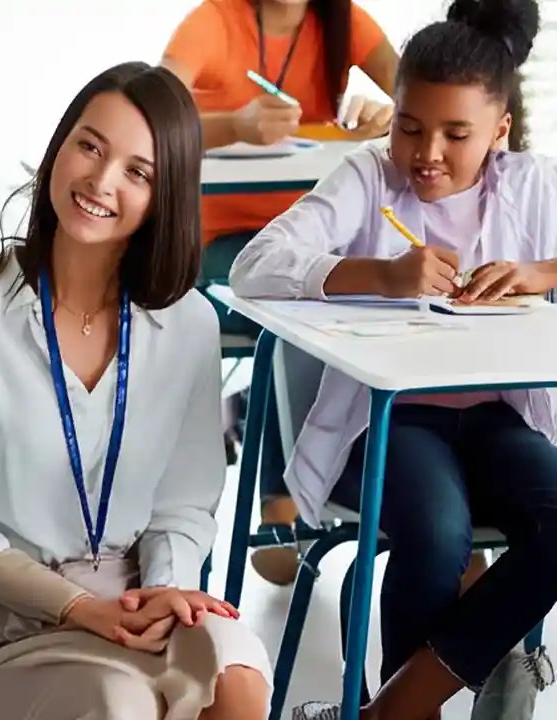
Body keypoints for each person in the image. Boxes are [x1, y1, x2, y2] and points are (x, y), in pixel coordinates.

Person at [0, 61, 272, 720]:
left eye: (138, 172)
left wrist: (162, 594)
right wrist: (79, 608)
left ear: (165, 196)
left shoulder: (188, 323)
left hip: (139, 608)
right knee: (116, 701)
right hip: (3, 631)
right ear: (59, 147)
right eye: (90, 146)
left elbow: (185, 505)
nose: (101, 181)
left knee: (236, 674)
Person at [229, 1, 557, 717]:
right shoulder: (369, 178)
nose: (427, 153)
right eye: (409, 127)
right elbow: (256, 265)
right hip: (391, 423)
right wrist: (381, 275)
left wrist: (544, 273)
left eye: (456, 134)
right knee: (439, 538)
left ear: (499, 132)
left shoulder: (530, 183)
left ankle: (394, 706)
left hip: (498, 418)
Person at [162, 0, 400, 586]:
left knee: (352, 289)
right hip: (222, 243)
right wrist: (234, 126)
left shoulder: (345, 22)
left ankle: (249, 417)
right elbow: (150, 111)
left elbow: (425, 94)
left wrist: (390, 117)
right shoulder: (215, 22)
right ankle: (277, 485)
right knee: (296, 297)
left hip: (309, 237)